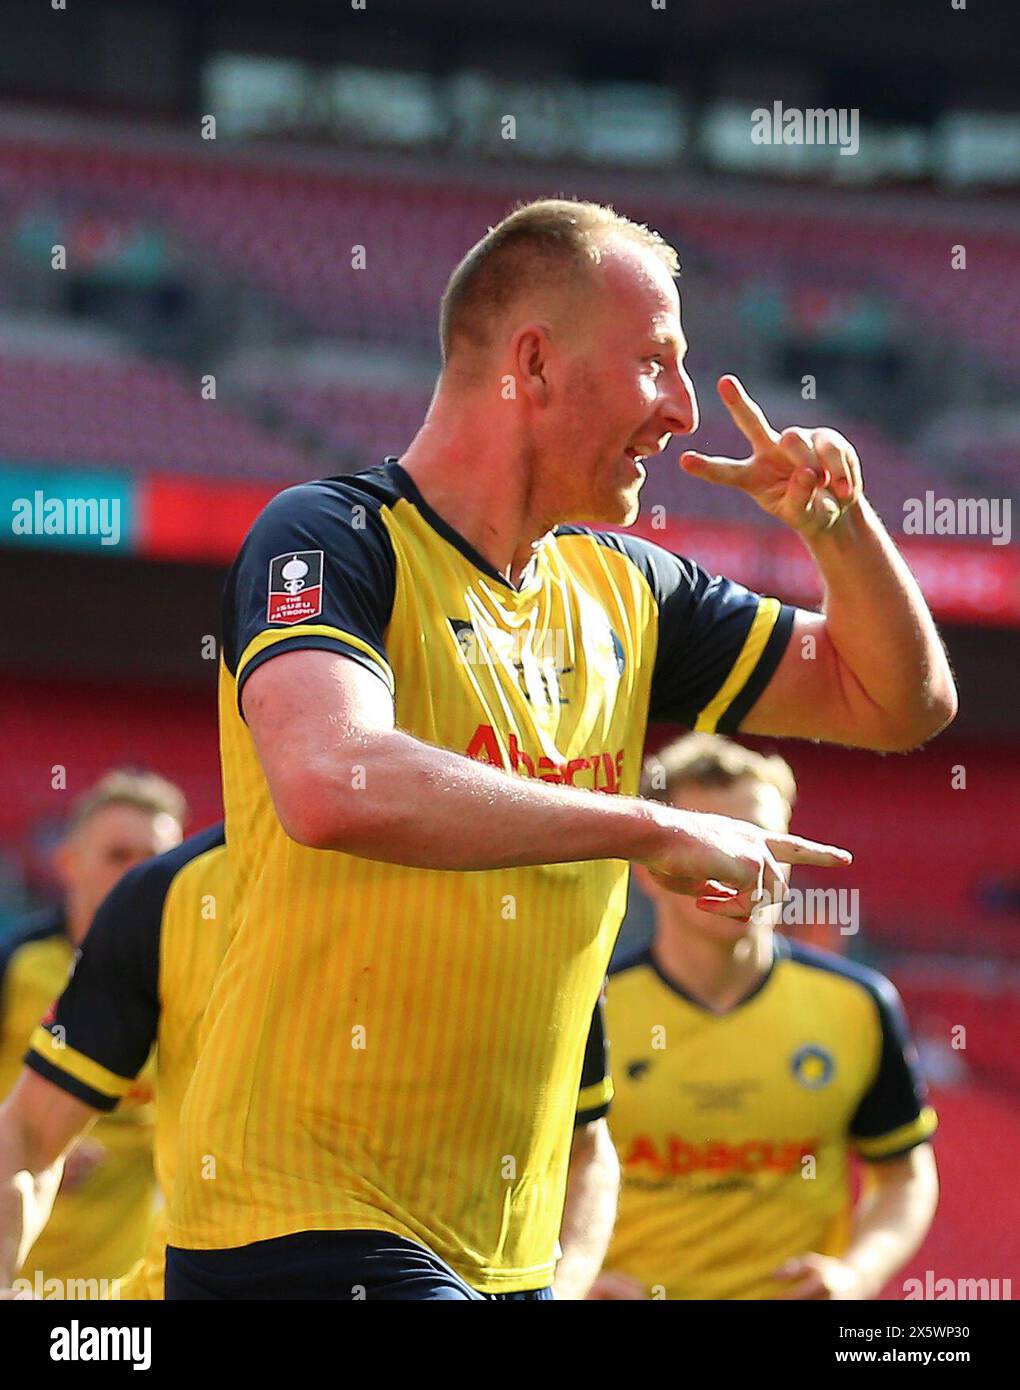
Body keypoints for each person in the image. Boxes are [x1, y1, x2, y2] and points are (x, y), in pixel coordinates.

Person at [166, 198, 955, 1300]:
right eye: (657, 363)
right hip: (300, 1217)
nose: (684, 411)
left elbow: (899, 701)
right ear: (532, 365)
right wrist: (649, 823)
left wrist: (838, 528)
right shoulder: (328, 536)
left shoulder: (629, 586)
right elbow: (332, 780)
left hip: (507, 1245)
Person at [0, 822, 616, 1300]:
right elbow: (29, 1132)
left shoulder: (533, 896)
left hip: (478, 1276)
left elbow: (586, 1147)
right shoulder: (166, 894)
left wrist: (565, 1286)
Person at [591, 734, 939, 1301]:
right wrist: (577, 1278)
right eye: (715, 843)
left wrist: (857, 1274)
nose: (746, 868)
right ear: (649, 870)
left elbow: (904, 1176)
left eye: (765, 844)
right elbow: (521, 1177)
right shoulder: (591, 1008)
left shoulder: (858, 1004)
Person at [0, 770, 184, 1296]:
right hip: (20, 1277)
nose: (138, 876)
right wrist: (41, 1143)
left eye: (155, 860)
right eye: (118, 856)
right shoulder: (19, 966)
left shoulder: (196, 974)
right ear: (68, 864)